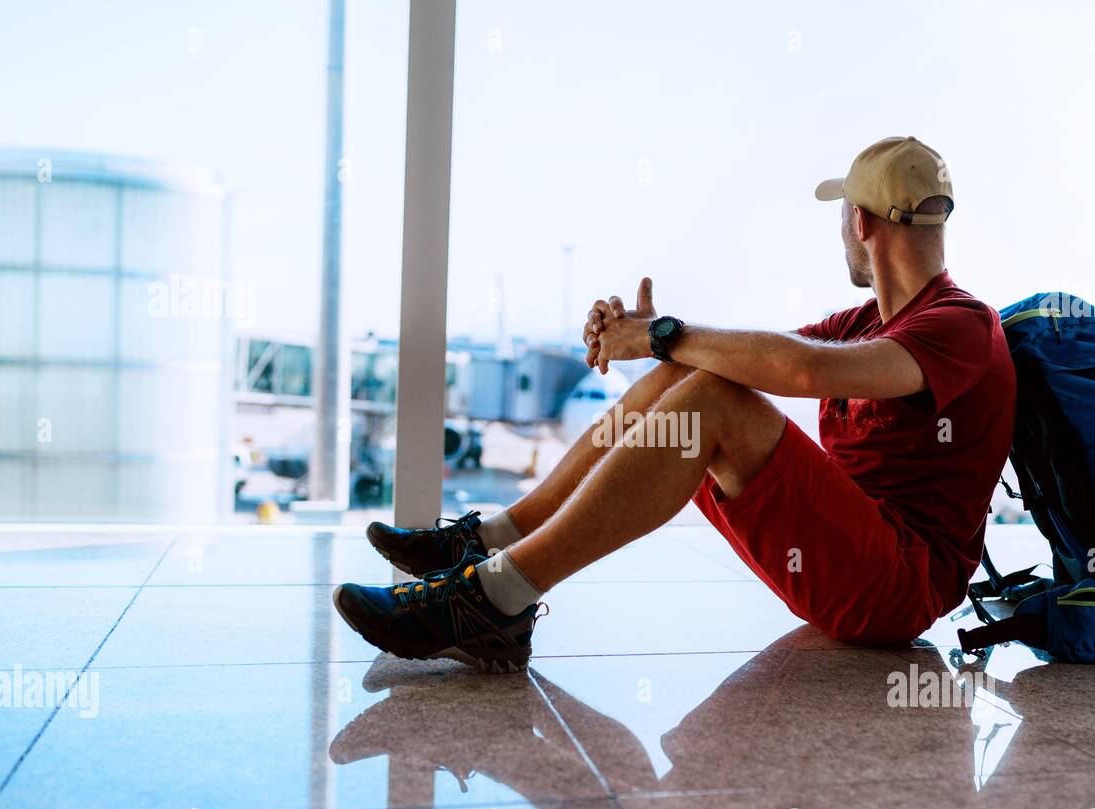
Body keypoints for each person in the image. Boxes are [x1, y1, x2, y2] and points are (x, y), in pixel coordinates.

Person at [333, 135, 1016, 673]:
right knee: (690, 372)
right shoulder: (871, 321)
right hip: (849, 560)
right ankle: (488, 543)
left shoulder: (960, 324)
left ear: (858, 220)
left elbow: (801, 369)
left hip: (896, 587)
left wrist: (662, 337)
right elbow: (748, 357)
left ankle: (495, 601)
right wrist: (656, 343)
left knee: (711, 391)